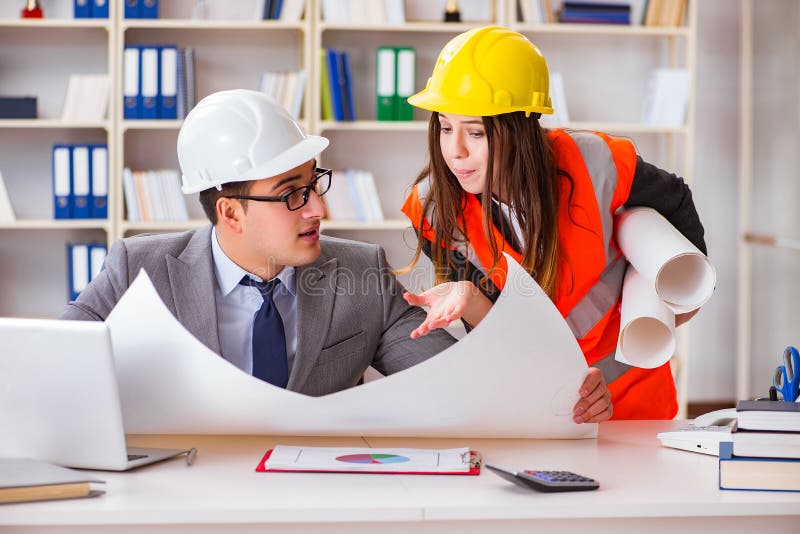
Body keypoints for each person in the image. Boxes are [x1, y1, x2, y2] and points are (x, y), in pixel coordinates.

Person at [61, 89, 455, 396]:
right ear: (231, 213)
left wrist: (474, 302)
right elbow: (53, 366)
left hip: (313, 476)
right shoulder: (138, 270)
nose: (318, 208)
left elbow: (453, 383)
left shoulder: (362, 272)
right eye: (291, 194)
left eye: (313, 184)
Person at [400, 26, 707, 422]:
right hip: (537, 408)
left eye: (475, 132)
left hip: (634, 405)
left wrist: (654, 330)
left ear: (520, 128)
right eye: (445, 128)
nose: (454, 151)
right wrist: (470, 300)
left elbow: (687, 262)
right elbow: (502, 342)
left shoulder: (595, 164)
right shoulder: (436, 211)